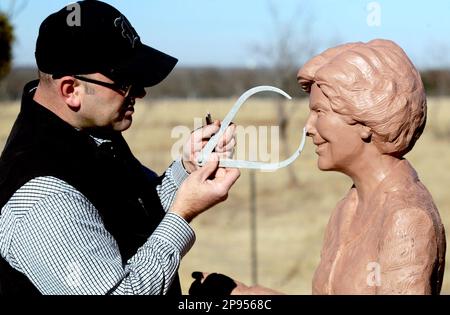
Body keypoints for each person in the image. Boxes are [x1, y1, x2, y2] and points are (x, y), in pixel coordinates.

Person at [0, 0, 239, 295]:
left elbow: (133, 216)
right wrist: (182, 215)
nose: (139, 92)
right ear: (71, 90)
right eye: (125, 82)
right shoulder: (43, 198)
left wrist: (187, 169)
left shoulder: (88, 132)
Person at [191, 39, 446, 295]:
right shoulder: (349, 206)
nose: (308, 128)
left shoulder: (406, 220)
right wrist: (244, 295)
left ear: (367, 120)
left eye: (320, 112)